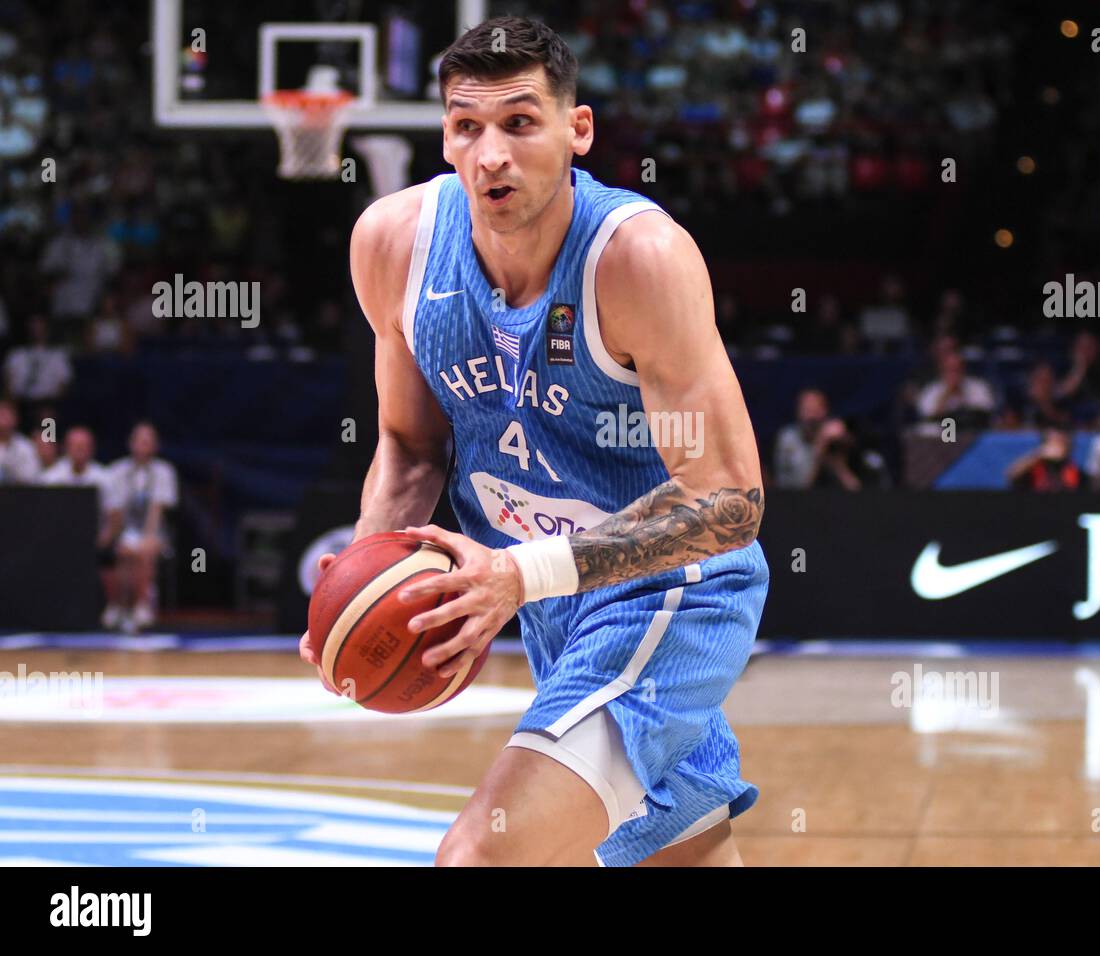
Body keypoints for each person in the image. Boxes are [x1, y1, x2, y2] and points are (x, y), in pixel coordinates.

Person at [298, 17, 768, 868]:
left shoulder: (639, 259)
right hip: (551, 604)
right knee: (687, 856)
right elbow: (410, 447)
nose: (491, 154)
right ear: (444, 135)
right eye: (467, 126)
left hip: (673, 594)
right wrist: (365, 585)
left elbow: (732, 501)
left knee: (480, 856)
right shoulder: (394, 245)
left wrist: (515, 574)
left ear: (576, 130)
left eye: (519, 122)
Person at [104, 422, 179, 632]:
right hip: (124, 530)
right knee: (123, 551)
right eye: (140, 440)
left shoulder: (164, 471)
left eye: (149, 441)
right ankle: (119, 605)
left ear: (156, 445)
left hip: (154, 532)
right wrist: (121, 539)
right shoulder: (117, 470)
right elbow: (114, 511)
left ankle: (140, 606)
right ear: (131, 443)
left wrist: (147, 539)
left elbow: (157, 511)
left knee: (145, 551)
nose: (143, 445)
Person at [42, 426, 123, 614]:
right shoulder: (51, 478)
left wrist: (103, 539)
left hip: (97, 540)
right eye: (75, 446)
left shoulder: (104, 478)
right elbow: (42, 517)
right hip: (58, 540)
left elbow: (115, 517)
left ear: (91, 449)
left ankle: (113, 607)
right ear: (65, 448)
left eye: (83, 446)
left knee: (112, 555)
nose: (79, 450)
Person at [772, 388, 863, 490]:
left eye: (815, 410)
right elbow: (800, 486)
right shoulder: (788, 438)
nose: (811, 417)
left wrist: (837, 463)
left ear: (825, 411)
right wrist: (820, 444)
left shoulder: (833, 440)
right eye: (807, 410)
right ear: (798, 412)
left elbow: (857, 491)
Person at [915, 351, 996, 428]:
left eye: (957, 369)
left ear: (964, 369)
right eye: (950, 370)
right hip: (941, 437)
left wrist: (963, 394)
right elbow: (927, 417)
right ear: (942, 371)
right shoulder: (931, 390)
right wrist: (947, 394)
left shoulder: (978, 387)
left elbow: (986, 412)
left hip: (972, 434)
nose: (954, 374)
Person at [1006, 426, 1083, 492]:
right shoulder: (1032, 469)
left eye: (1060, 442)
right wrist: (1038, 454)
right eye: (1052, 442)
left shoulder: (1076, 472)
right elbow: (1011, 475)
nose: (1056, 447)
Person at [0, 398, 39, 484]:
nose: (2, 419)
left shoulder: (26, 446)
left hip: (18, 493)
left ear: (15, 419)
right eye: (1, 414)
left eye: (6, 415)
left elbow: (31, 477)